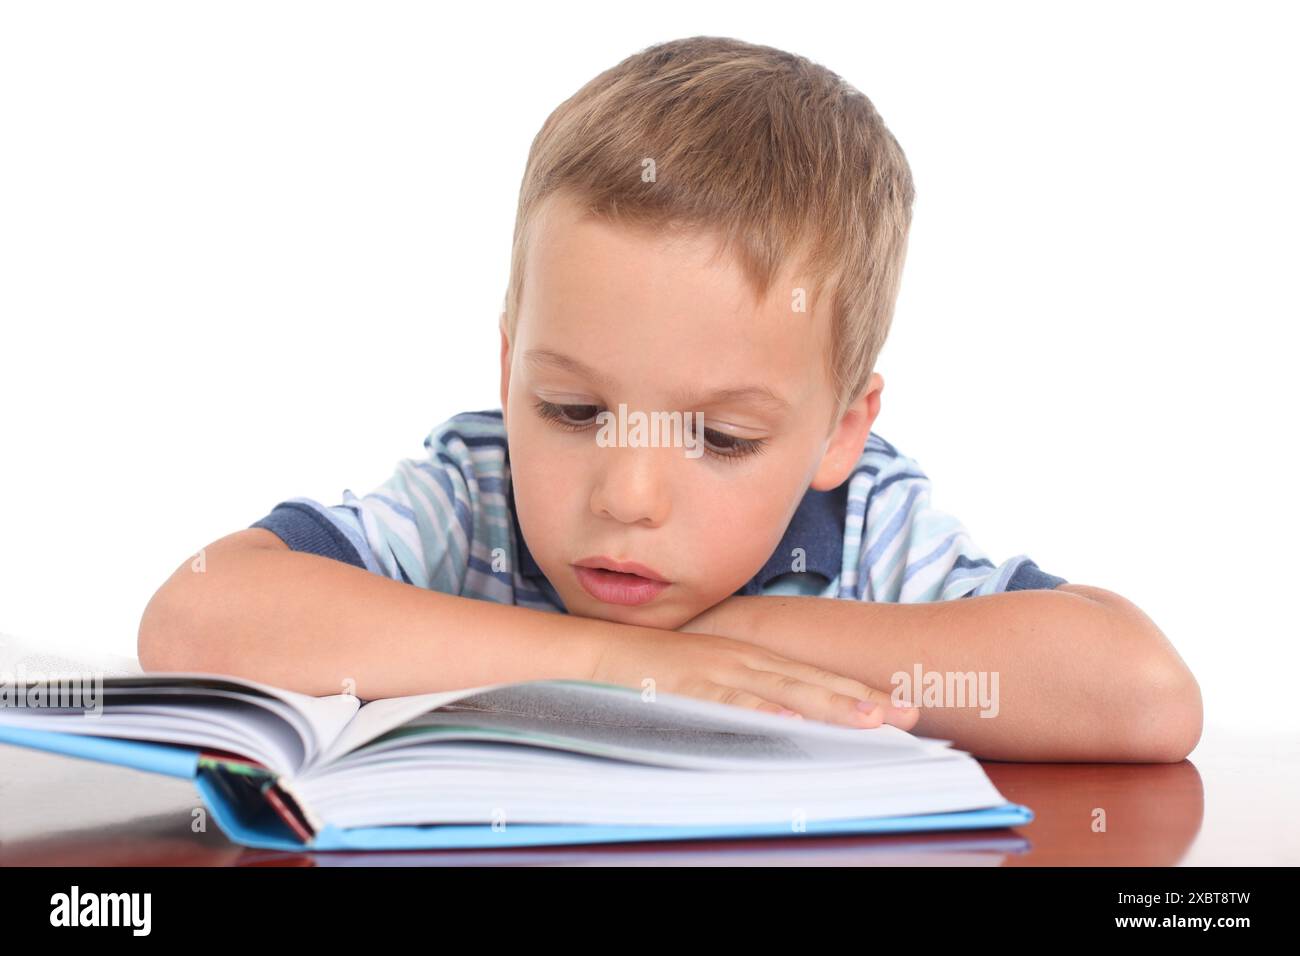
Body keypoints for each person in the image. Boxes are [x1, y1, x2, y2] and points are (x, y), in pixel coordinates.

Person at [139, 36, 1200, 761]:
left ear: (839, 430)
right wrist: (617, 657)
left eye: (721, 435)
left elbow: (1143, 693)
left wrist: (731, 642)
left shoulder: (862, 525)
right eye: (568, 408)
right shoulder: (475, 493)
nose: (629, 493)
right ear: (509, 369)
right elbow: (195, 618)